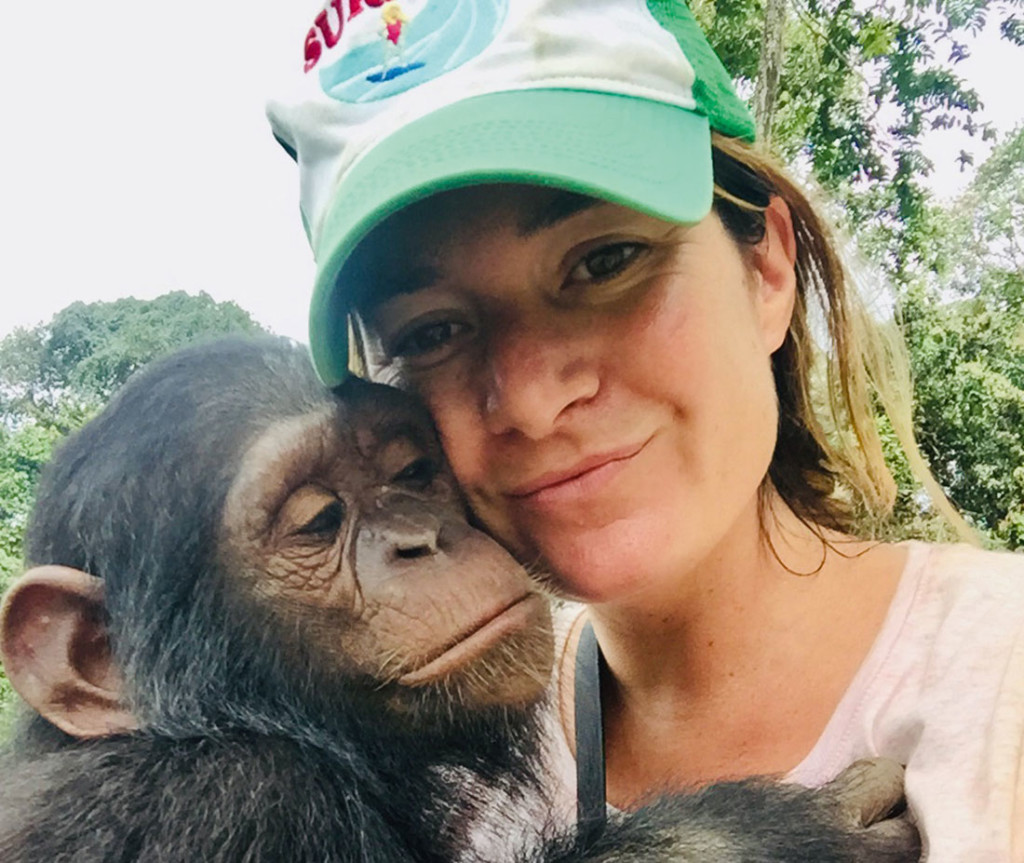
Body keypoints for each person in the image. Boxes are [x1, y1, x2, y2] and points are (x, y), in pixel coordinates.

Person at [267, 0, 1024, 859]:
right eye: (431, 331)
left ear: (767, 269)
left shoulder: (998, 688)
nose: (529, 400)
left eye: (604, 261)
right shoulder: (444, 773)